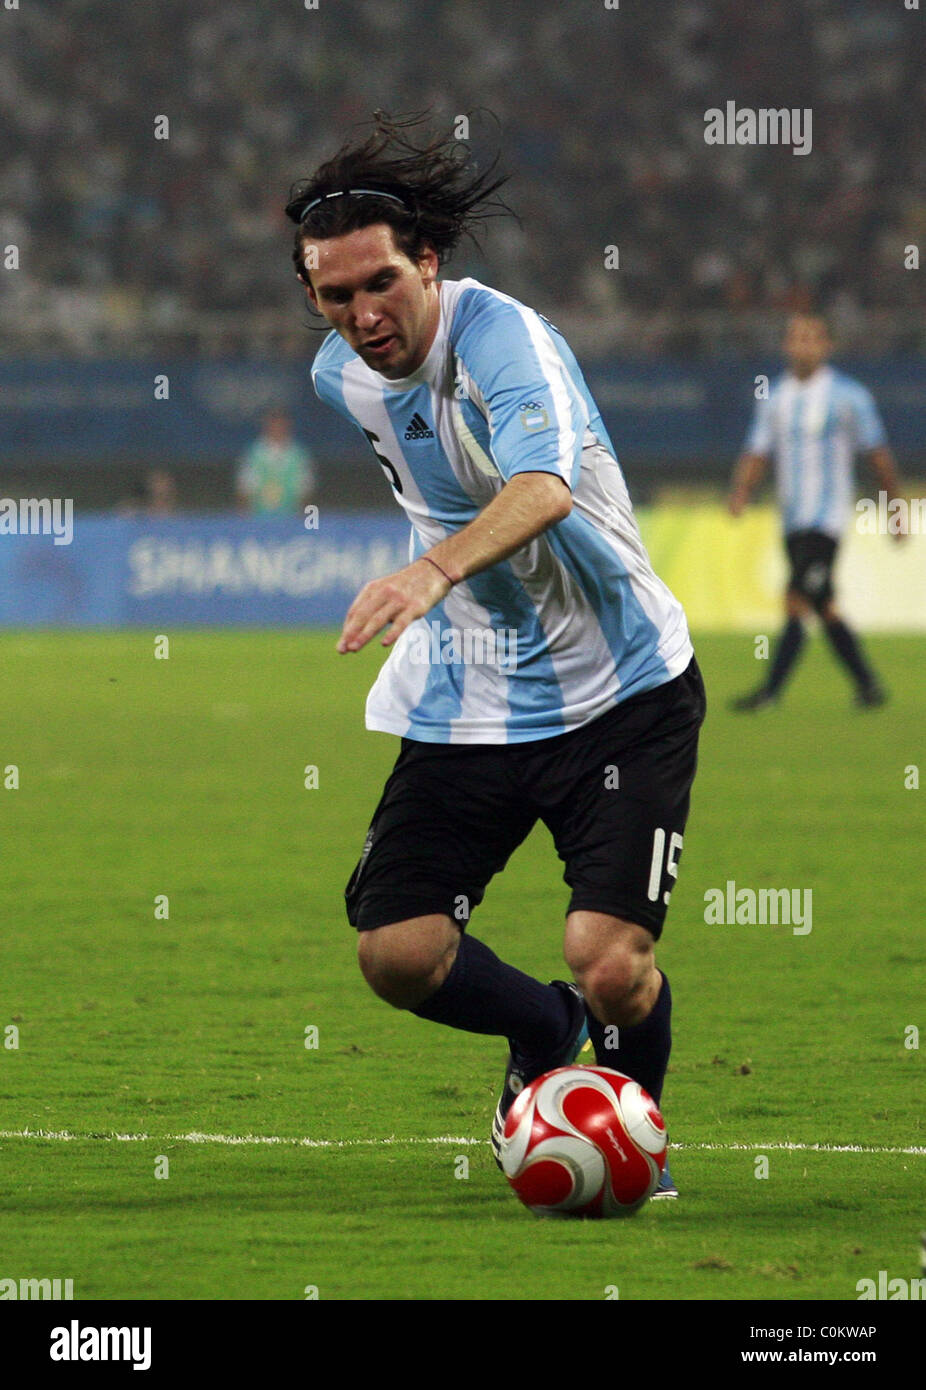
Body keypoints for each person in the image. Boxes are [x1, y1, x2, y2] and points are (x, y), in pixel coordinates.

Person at [286, 113, 706, 1197]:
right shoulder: (338, 375)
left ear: (428, 260)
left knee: (611, 961)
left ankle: (632, 1142)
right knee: (396, 952)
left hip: (620, 688)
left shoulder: (505, 342)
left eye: (380, 282)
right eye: (334, 297)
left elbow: (541, 487)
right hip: (470, 697)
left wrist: (430, 573)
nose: (362, 315)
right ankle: (539, 1024)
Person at [727, 314, 905, 710]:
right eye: (796, 338)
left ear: (826, 346)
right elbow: (758, 451)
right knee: (823, 604)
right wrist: (741, 491)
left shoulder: (849, 395)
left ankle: (769, 694)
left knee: (796, 599)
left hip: (828, 520)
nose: (803, 345)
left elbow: (877, 455)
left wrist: (895, 506)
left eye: (811, 338)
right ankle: (868, 687)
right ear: (787, 345)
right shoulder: (774, 397)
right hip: (791, 519)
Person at [236, 408, 317, 516]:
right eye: (274, 424)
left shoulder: (299, 455)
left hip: (291, 521)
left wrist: (304, 521)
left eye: (281, 425)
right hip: (258, 521)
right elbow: (244, 491)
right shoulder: (253, 454)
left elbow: (305, 492)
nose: (277, 429)